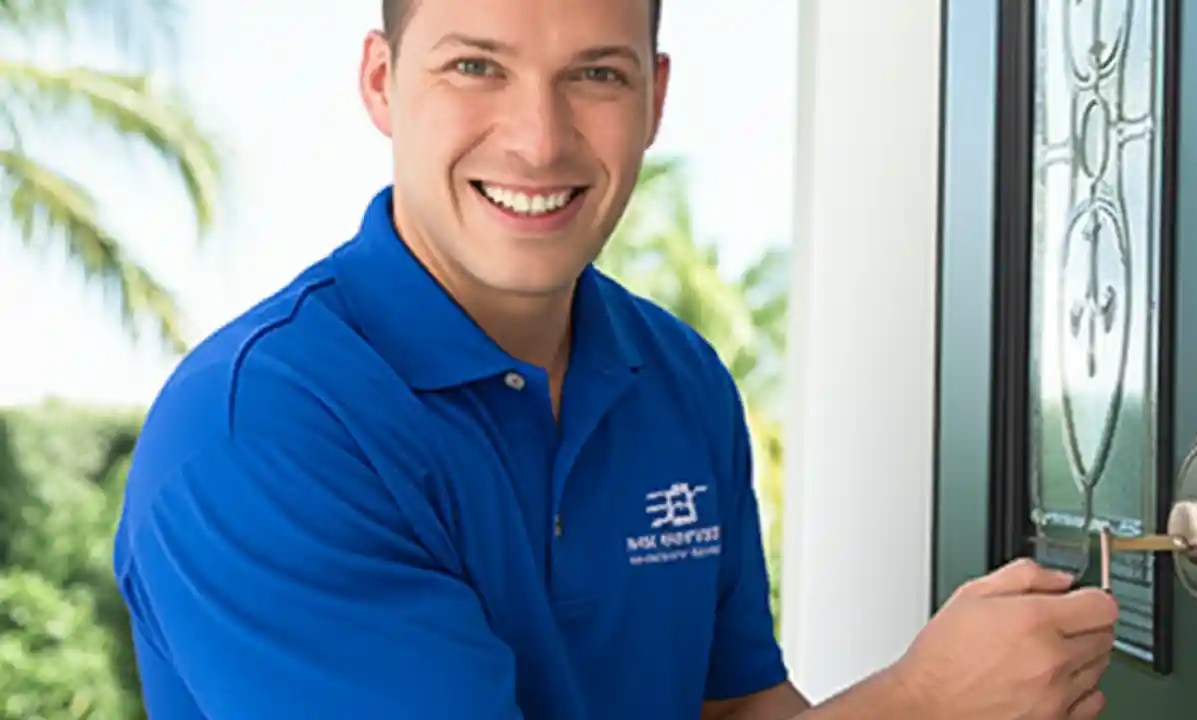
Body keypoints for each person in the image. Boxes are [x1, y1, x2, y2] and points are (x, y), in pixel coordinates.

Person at [111, 0, 1120, 717]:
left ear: (653, 95)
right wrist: (921, 706)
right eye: (476, 66)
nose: (538, 141)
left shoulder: (675, 378)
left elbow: (729, 707)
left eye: (594, 74)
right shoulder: (261, 431)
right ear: (381, 81)